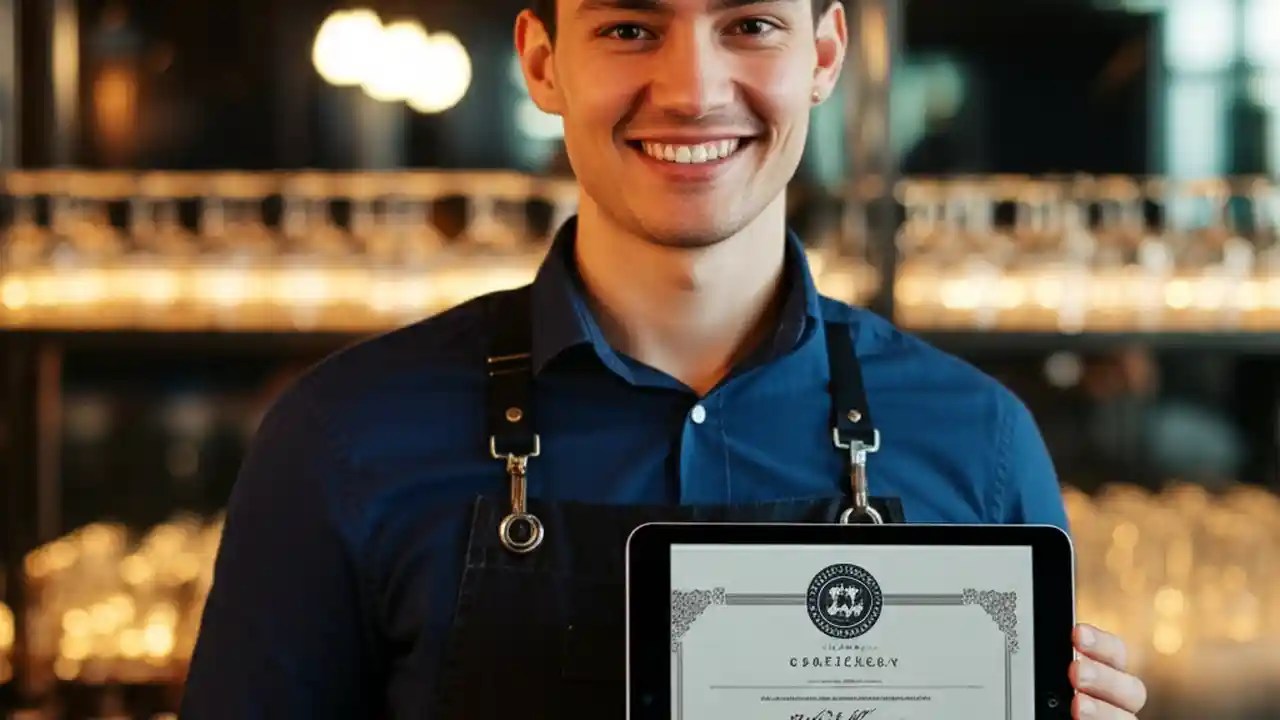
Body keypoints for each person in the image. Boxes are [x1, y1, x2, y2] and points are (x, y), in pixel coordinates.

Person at [180, 0, 1149, 718]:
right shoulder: (343, 434)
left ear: (822, 52)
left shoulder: (974, 441)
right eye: (629, 29)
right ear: (542, 61)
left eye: (748, 26)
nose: (690, 92)